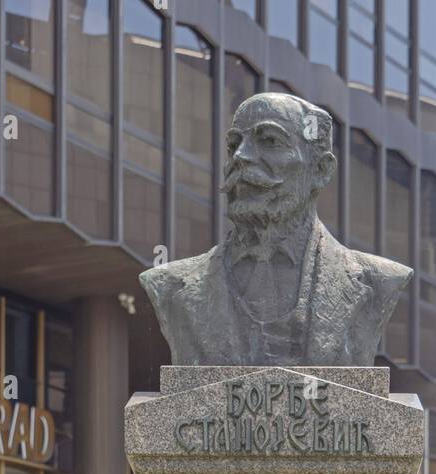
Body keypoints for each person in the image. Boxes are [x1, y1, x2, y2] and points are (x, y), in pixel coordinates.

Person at [140, 93, 412, 367]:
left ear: (321, 170)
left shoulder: (380, 281)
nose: (240, 157)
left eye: (269, 141)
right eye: (234, 144)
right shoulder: (169, 284)